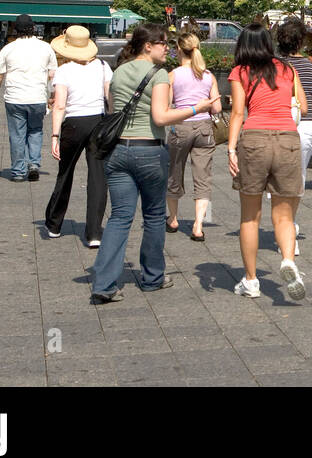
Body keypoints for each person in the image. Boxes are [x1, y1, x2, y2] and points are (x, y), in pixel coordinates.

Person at [89, 23, 219, 304]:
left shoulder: (119, 71)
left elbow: (113, 110)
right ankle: (152, 277)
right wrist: (199, 108)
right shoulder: (158, 75)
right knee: (153, 216)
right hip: (148, 150)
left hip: (118, 151)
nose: (167, 49)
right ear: (147, 46)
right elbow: (160, 117)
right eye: (162, 43)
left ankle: (104, 282)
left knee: (120, 217)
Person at [228, 23, 308, 300]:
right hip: (288, 138)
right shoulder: (288, 69)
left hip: (255, 139)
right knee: (284, 215)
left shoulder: (240, 72)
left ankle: (251, 281)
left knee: (250, 216)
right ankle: (288, 260)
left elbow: (238, 112)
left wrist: (230, 149)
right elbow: (303, 106)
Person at [45, 26, 112, 245]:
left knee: (65, 173)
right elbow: (109, 99)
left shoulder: (64, 70)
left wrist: (55, 135)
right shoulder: (103, 67)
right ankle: (94, 232)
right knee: (98, 176)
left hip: (74, 123)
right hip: (98, 121)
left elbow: (60, 105)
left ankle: (54, 224)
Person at [274, 17, 312, 255]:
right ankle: (289, 225)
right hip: (305, 126)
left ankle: (284, 226)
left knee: (279, 181)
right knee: (298, 179)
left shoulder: (275, 66)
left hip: (280, 125)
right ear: (300, 42)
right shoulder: (310, 65)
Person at [166, 31, 221, 241]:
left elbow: (168, 105)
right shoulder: (208, 75)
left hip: (180, 126)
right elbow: (216, 107)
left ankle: (173, 219)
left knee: (174, 172)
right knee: (203, 176)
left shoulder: (173, 75)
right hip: (204, 128)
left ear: (179, 49)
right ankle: (198, 225)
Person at [0, 13, 58, 181]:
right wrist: (52, 95)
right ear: (33, 28)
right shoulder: (45, 47)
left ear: (15, 29)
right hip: (38, 97)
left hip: (15, 98)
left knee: (17, 134)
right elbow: (52, 75)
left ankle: (18, 171)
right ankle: (34, 164)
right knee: (35, 131)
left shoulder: (8, 48)